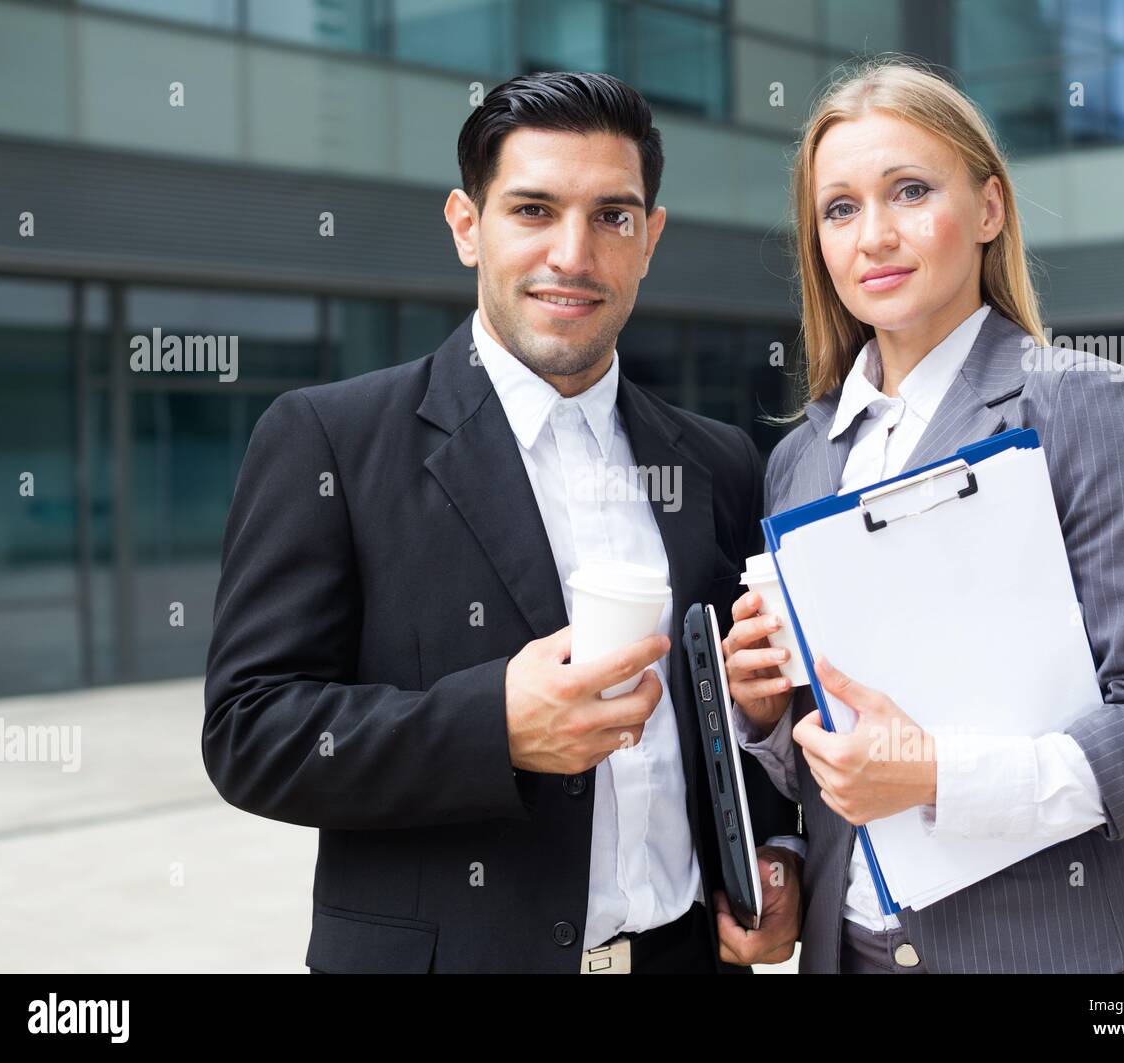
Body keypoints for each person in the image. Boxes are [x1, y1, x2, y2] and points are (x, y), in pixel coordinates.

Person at [203, 71, 801, 974]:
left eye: (613, 216)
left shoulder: (717, 462)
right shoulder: (329, 439)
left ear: (651, 240)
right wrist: (497, 727)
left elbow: (741, 702)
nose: (574, 253)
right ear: (465, 226)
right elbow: (250, 731)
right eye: (532, 210)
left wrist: (777, 854)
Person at [719, 58, 1124, 974]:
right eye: (840, 209)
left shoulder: (1087, 407)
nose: (874, 235)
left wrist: (936, 777)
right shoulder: (801, 461)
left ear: (989, 209)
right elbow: (832, 774)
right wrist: (763, 711)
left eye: (910, 191)